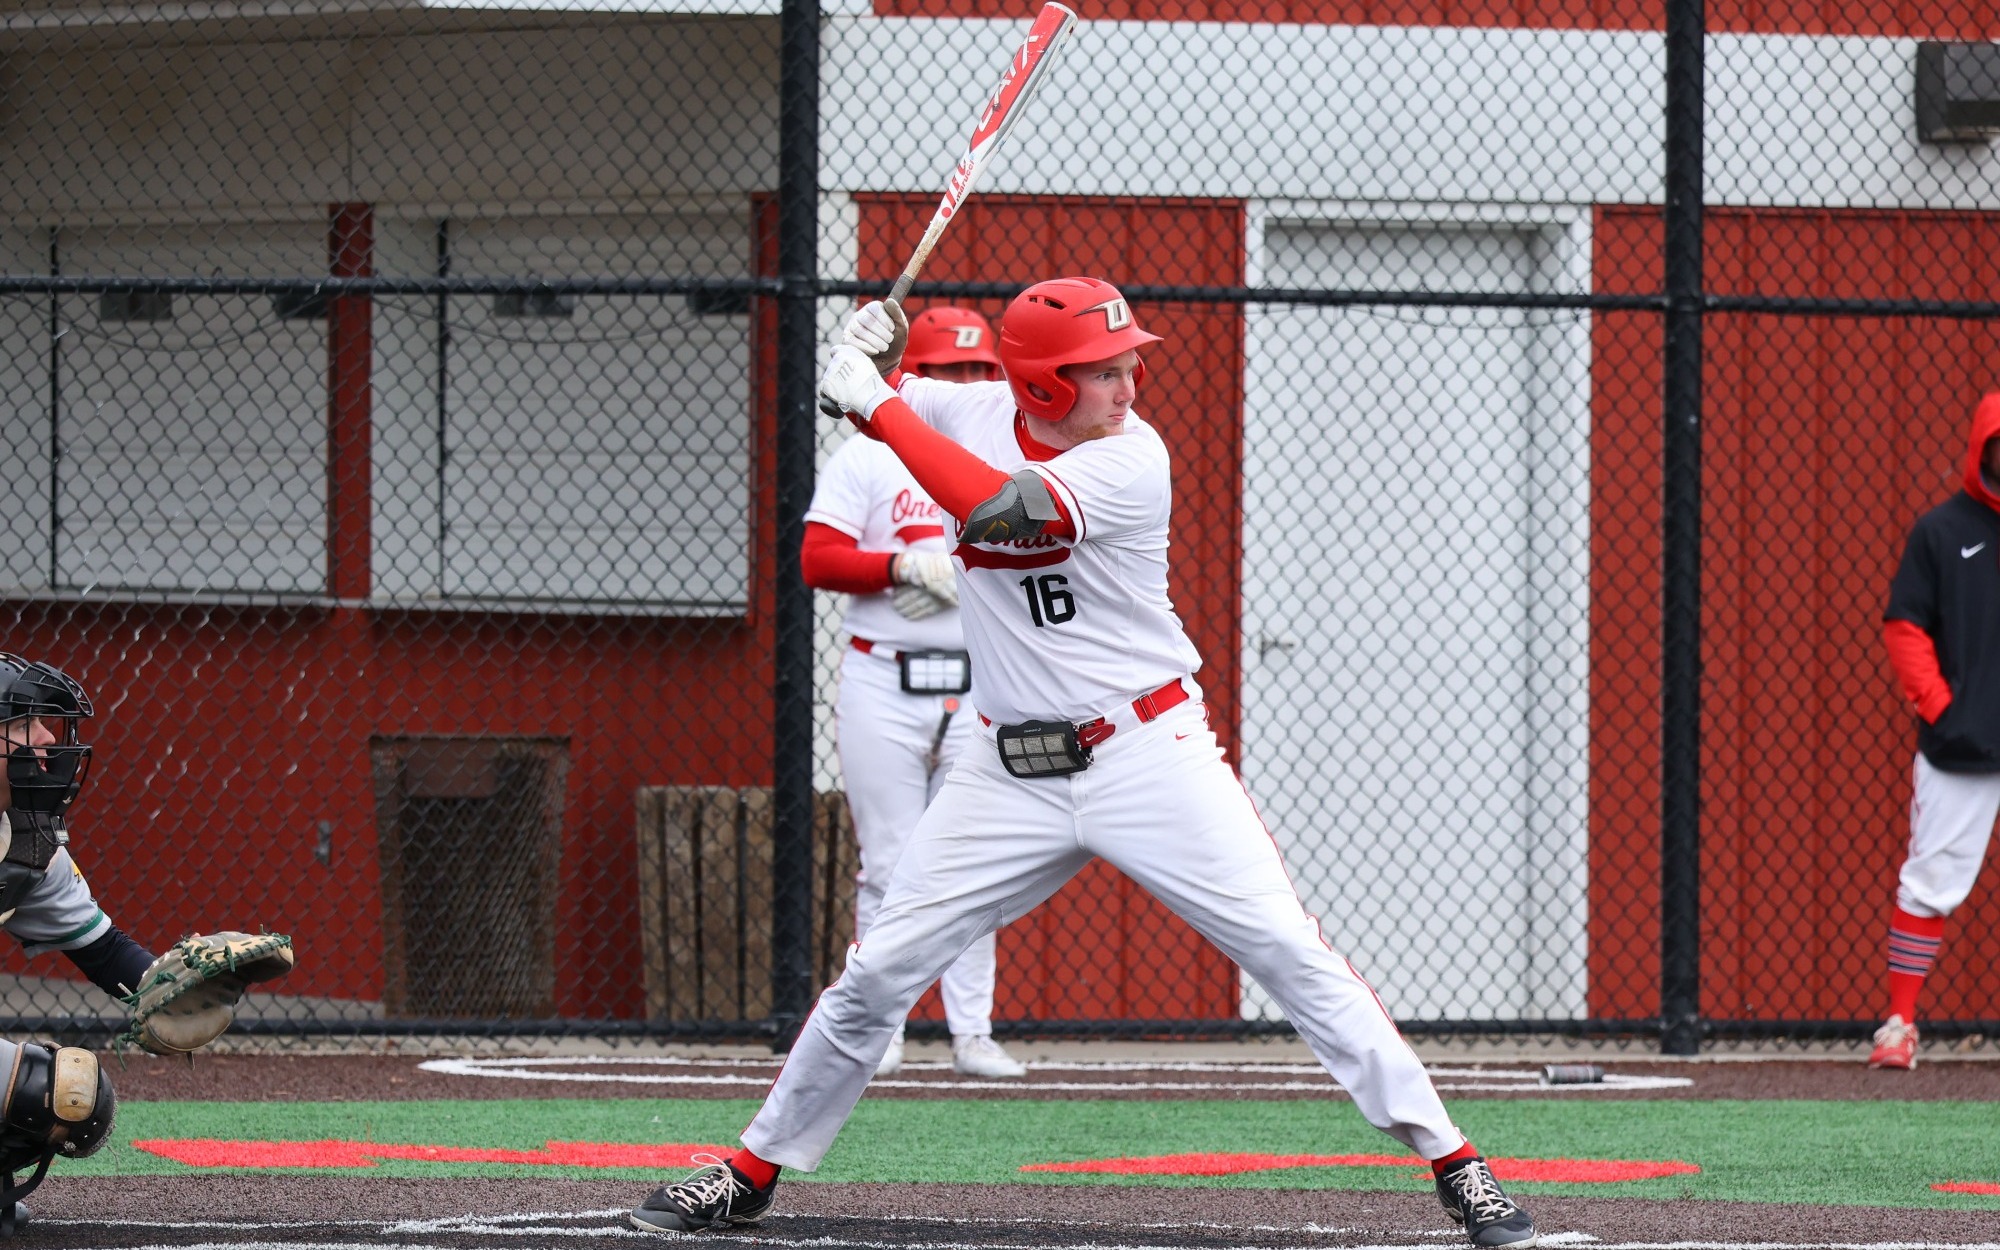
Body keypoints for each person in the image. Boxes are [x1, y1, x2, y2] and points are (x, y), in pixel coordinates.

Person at [629, 278, 1538, 1247]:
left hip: (1145, 749)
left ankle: (1454, 1159)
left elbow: (996, 513)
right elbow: (868, 405)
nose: (1127, 382)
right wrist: (864, 360)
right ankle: (752, 1167)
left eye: (1124, 362)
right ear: (1040, 387)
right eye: (1100, 371)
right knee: (877, 970)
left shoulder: (1132, 460)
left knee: (1286, 946)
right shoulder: (966, 406)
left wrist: (876, 398)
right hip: (1002, 762)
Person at [801, 304, 1026, 1079]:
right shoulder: (867, 459)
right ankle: (880, 1027)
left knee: (974, 864)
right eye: (952, 370)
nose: (969, 382)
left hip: (977, 686)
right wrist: (896, 567)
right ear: (916, 376)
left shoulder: (1002, 458)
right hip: (884, 675)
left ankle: (972, 1032)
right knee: (889, 864)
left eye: (980, 371)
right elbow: (819, 559)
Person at [1870, 395, 2000, 1070]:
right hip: (1964, 746)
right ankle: (1899, 1024)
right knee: (1933, 881)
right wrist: (1942, 708)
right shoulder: (1942, 531)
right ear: (1984, 448)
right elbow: (1905, 626)